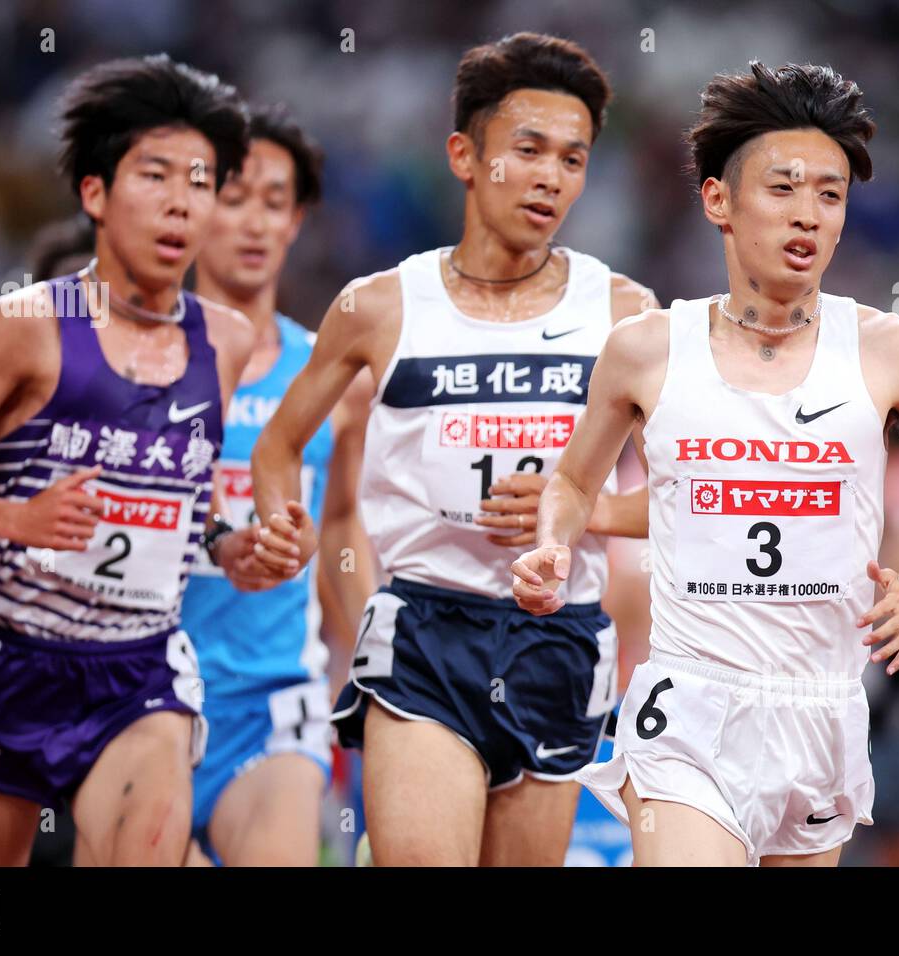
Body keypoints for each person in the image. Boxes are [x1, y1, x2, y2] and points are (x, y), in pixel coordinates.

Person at [511, 61, 899, 867]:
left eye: (830, 195)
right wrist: (553, 540)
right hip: (688, 703)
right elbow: (576, 481)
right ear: (719, 199)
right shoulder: (647, 349)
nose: (809, 216)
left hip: (820, 708)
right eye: (783, 189)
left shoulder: (891, 351)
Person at [251, 32, 653, 867]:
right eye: (529, 150)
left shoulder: (625, 313)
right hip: (424, 630)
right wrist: (278, 523)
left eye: (573, 160)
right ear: (465, 155)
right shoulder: (378, 306)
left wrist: (581, 509)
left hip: (561, 637)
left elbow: (700, 491)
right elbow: (279, 444)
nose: (551, 177)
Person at [0, 54, 263, 866]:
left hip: (140, 676)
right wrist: (12, 519)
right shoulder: (25, 324)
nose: (180, 201)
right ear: (94, 194)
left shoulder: (224, 340)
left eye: (200, 180)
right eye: (154, 175)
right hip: (12, 665)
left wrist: (234, 544)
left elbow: (180, 497)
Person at [182, 103, 373, 866]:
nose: (256, 224)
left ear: (297, 221)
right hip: (137, 691)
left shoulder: (330, 379)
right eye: (234, 198)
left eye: (276, 202)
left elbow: (340, 526)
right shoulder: (135, 367)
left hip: (270, 705)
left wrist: (374, 671)